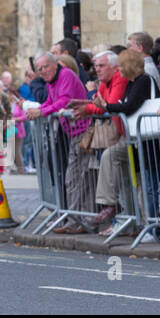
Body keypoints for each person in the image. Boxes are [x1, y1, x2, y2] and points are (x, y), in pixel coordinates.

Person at [24, 51, 90, 232]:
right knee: (75, 179)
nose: (43, 71)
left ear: (55, 64)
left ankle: (76, 221)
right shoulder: (52, 80)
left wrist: (42, 112)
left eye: (46, 66)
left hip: (83, 131)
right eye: (39, 69)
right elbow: (50, 101)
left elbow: (64, 101)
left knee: (74, 178)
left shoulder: (66, 75)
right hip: (73, 132)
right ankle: (76, 220)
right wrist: (36, 111)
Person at [72, 50, 130, 232]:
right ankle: (119, 216)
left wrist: (88, 108)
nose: (97, 69)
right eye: (96, 65)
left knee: (111, 160)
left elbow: (108, 105)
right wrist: (88, 106)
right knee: (123, 177)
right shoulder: (105, 82)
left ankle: (111, 206)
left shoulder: (119, 78)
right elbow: (98, 103)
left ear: (114, 67)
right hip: (121, 132)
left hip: (129, 134)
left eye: (101, 65)